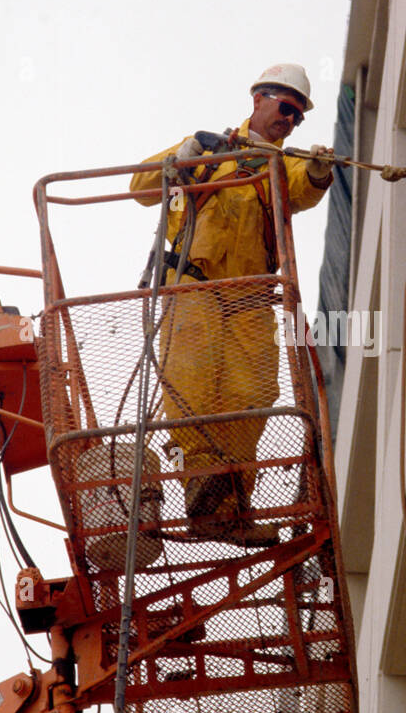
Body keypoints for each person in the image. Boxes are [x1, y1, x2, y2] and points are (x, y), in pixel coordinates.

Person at [130, 64, 333, 546]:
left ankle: (230, 506)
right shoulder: (206, 148)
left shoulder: (284, 164)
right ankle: (205, 502)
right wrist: (179, 160)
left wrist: (321, 173)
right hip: (193, 287)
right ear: (259, 99)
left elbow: (302, 189)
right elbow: (139, 188)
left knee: (253, 394)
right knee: (190, 390)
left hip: (250, 295)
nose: (290, 120)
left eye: (299, 116)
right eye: (286, 108)